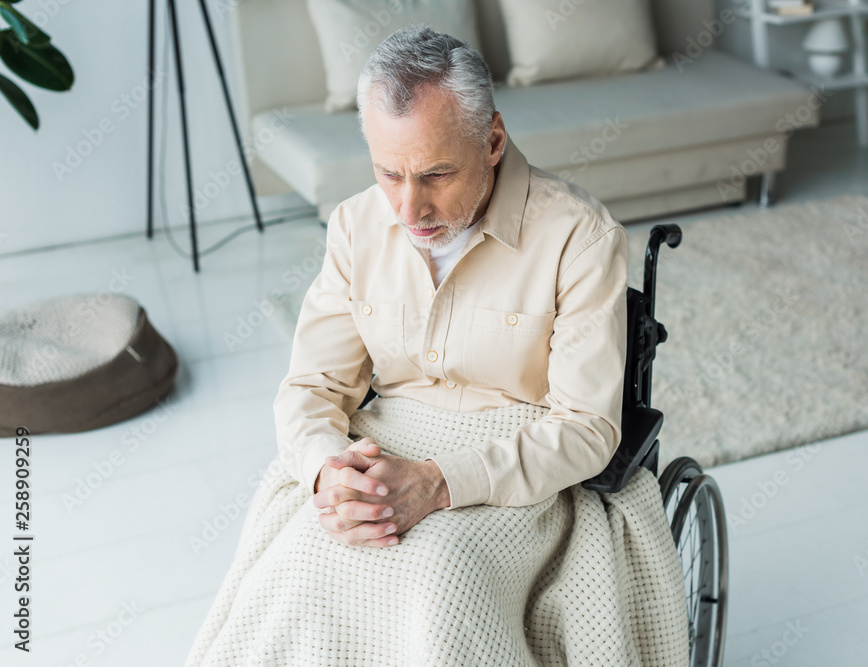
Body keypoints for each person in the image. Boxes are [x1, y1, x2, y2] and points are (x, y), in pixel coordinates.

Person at [185, 25, 689, 666]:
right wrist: (328, 470)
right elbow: (312, 388)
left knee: (443, 578)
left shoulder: (579, 236)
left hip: (522, 459)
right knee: (302, 569)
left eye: (436, 174)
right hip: (385, 440)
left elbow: (588, 428)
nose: (409, 207)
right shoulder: (356, 225)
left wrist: (438, 483)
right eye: (388, 173)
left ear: (493, 141)